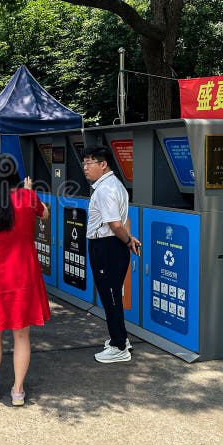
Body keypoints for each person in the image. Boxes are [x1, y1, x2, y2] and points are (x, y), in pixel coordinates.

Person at [0, 154, 51, 406]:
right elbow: (45, 215)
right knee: (21, 334)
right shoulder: (29, 198)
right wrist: (28, 192)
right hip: (25, 271)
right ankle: (18, 391)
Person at [83, 146, 141, 364]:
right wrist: (129, 239)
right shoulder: (116, 185)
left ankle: (119, 346)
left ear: (103, 164)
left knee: (111, 296)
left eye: (90, 163)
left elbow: (115, 224)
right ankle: (121, 339)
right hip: (113, 244)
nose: (85, 168)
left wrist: (126, 240)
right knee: (113, 294)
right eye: (84, 163)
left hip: (106, 246)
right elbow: (124, 220)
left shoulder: (106, 189)